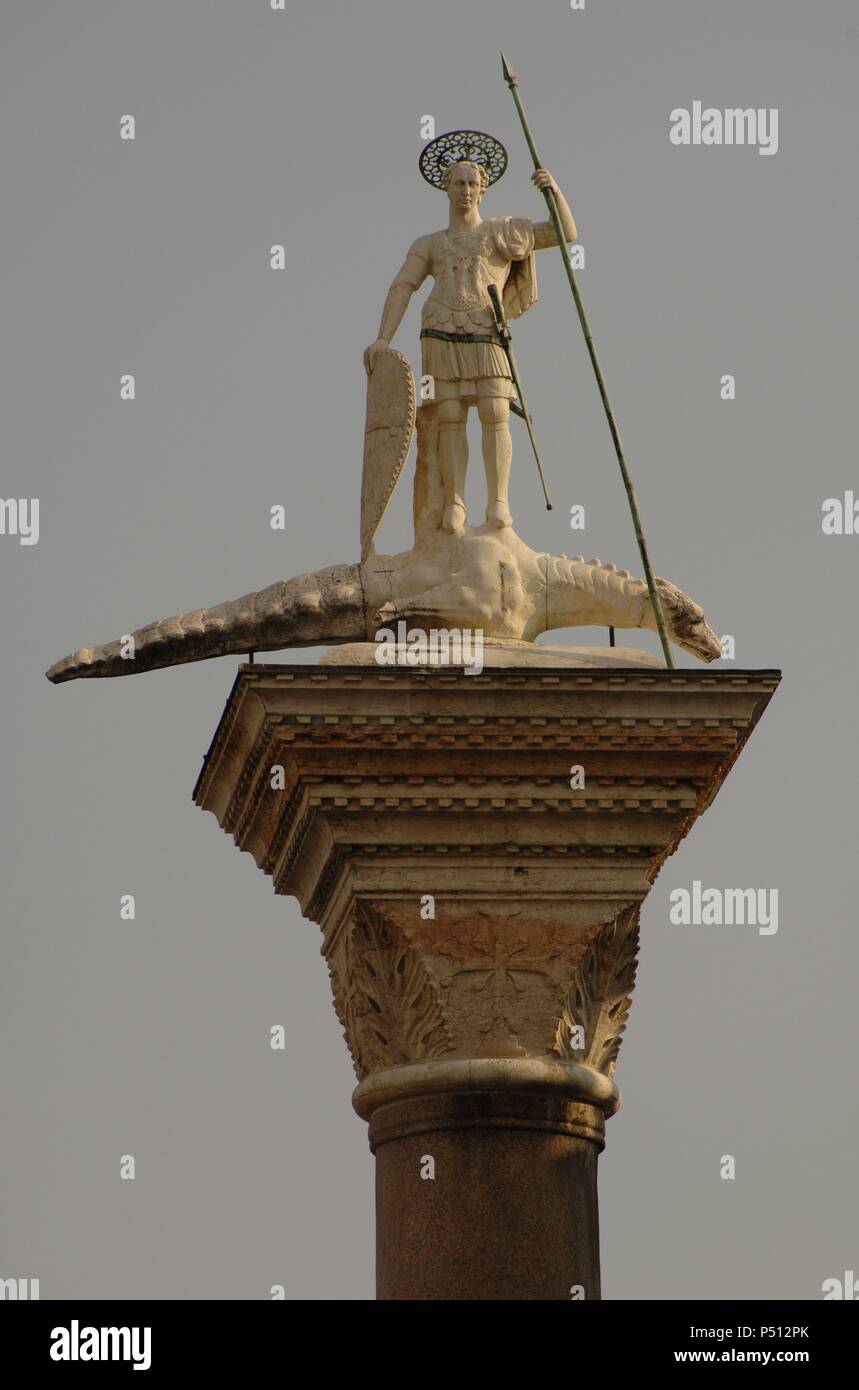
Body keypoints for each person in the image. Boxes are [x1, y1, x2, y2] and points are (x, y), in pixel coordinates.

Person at [364, 158, 576, 533]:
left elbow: (563, 233)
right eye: (457, 183)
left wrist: (553, 192)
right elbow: (403, 286)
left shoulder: (501, 231)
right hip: (439, 331)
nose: (464, 191)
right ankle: (455, 502)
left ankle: (498, 503)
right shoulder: (429, 244)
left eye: (471, 184)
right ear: (446, 188)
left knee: (496, 410)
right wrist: (383, 338)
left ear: (482, 190)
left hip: (486, 328)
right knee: (449, 418)